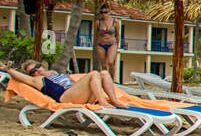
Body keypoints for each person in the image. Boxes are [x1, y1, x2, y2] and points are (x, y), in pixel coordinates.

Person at [2, 59, 131, 107]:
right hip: (66, 97)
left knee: (104, 73)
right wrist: (7, 69)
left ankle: (114, 100)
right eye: (33, 72)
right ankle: (103, 102)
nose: (37, 71)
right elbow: (20, 77)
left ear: (41, 65)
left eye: (37, 67)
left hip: (78, 94)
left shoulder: (53, 72)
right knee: (94, 73)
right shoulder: (37, 80)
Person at [93, 6, 121, 77]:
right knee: (103, 65)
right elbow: (95, 35)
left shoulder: (115, 22)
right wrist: (96, 45)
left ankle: (112, 80)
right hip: (100, 44)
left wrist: (117, 45)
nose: (103, 14)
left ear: (109, 12)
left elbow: (118, 34)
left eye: (105, 12)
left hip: (112, 43)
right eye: (101, 12)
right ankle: (105, 80)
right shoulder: (98, 22)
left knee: (110, 62)